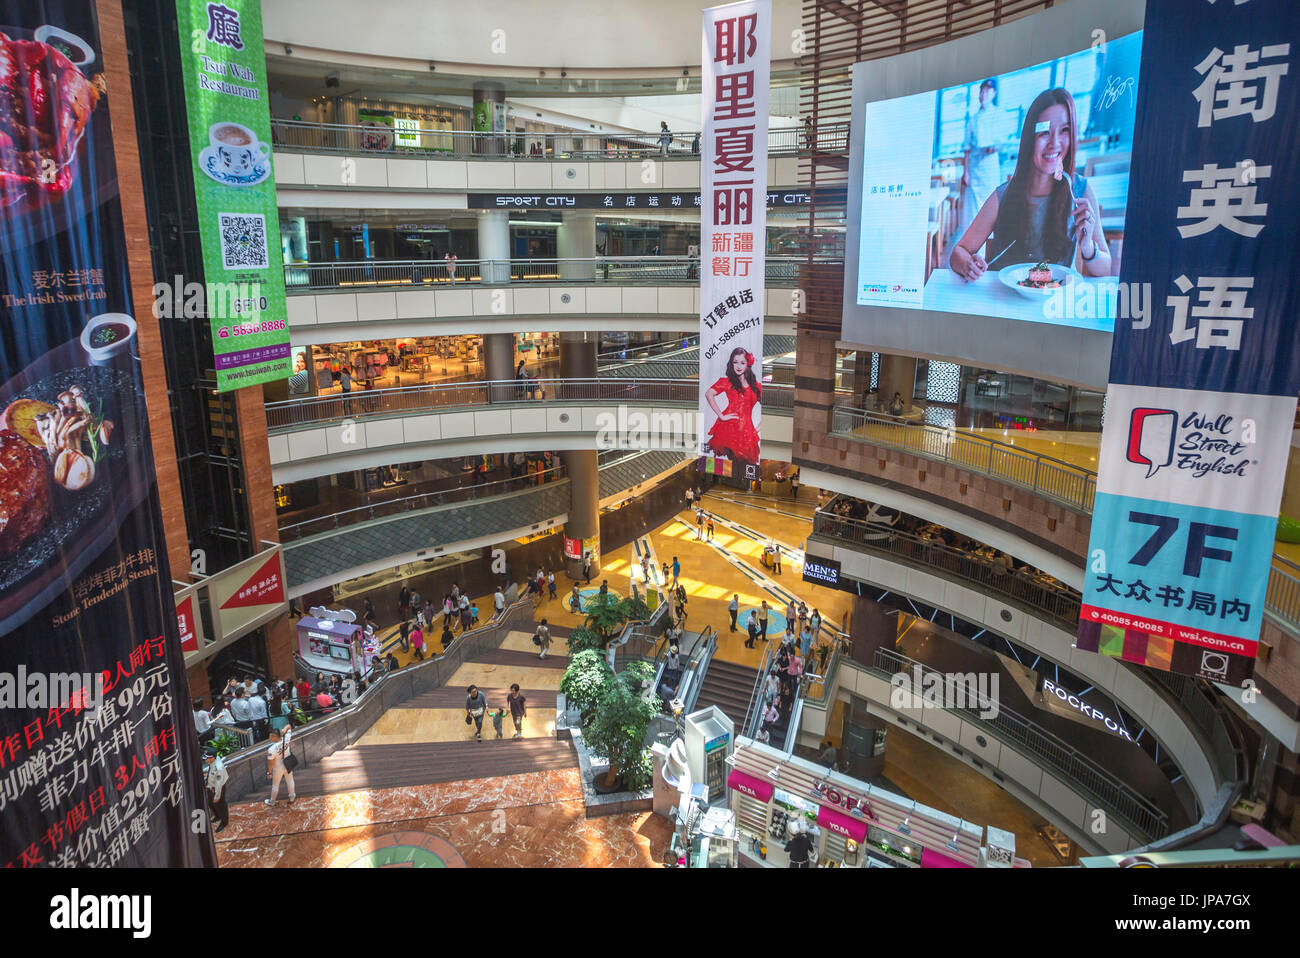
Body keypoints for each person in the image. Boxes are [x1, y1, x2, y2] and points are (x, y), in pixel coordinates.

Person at [950, 88, 1110, 282]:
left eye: (1065, 130)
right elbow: (958, 252)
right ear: (1029, 139)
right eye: (1044, 132)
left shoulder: (1080, 191)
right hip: (1003, 304)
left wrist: (1087, 248)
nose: (1055, 143)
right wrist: (968, 265)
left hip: (1053, 306)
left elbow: (1105, 268)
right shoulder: (1004, 195)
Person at [704, 347, 761, 471]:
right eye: (735, 362)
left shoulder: (756, 387)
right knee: (734, 466)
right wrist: (721, 416)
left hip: (746, 432)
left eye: (742, 362)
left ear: (748, 364)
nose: (738, 366)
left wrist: (758, 428)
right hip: (728, 431)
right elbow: (708, 394)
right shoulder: (727, 382)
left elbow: (769, 407)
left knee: (745, 466)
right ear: (731, 363)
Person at [961, 78, 1003, 230]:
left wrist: (995, 147)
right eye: (982, 90)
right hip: (975, 168)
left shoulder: (999, 115)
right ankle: (972, 249)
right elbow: (966, 148)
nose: (984, 94)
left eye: (987, 91)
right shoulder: (972, 120)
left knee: (990, 205)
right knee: (972, 210)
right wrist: (966, 172)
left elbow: (1002, 142)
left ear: (994, 93)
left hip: (990, 168)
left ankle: (988, 247)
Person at [263, 726, 296, 807]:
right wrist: (284, 729)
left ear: (274, 736)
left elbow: (270, 763)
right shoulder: (287, 738)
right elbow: (289, 726)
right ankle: (292, 797)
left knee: (275, 785)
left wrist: (269, 773)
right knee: (290, 780)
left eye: (270, 736)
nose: (269, 738)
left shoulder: (272, 749)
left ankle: (272, 801)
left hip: (278, 768)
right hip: (288, 763)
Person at [204, 751, 229, 832]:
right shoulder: (214, 761)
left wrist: (217, 796)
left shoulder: (219, 768)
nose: (205, 759)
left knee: (220, 805)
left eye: (207, 758)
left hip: (218, 788)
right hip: (211, 786)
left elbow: (218, 784)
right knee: (210, 803)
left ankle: (224, 822)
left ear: (213, 758)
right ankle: (218, 816)